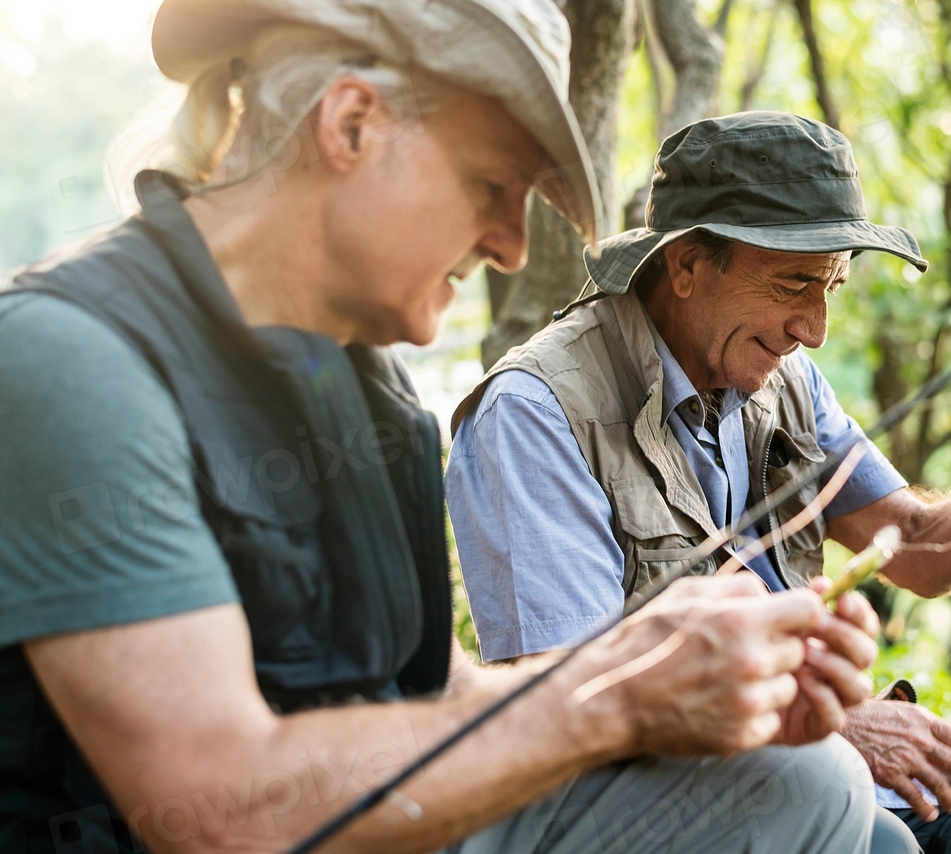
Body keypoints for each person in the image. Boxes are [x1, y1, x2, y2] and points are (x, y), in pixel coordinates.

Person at [0, 4, 884, 853]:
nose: (508, 244)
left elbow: (433, 695)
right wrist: (617, 702)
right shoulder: (73, 359)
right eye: (493, 186)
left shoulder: (371, 386)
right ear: (351, 126)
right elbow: (222, 809)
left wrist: (667, 667)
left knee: (808, 788)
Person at [447, 112, 951, 854]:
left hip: (814, 762)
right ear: (688, 266)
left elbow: (917, 544)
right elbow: (577, 705)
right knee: (878, 841)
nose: (815, 327)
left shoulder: (779, 376)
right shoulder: (538, 412)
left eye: (832, 285)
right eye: (796, 282)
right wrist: (828, 730)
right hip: (654, 802)